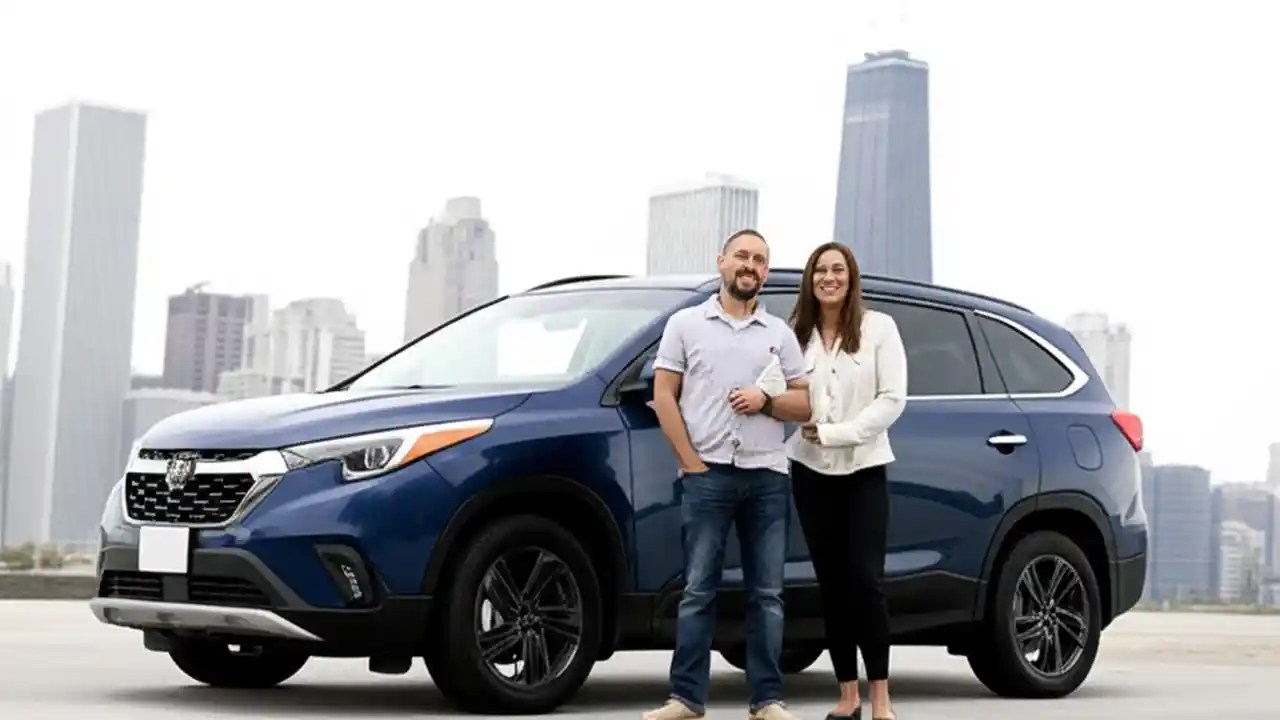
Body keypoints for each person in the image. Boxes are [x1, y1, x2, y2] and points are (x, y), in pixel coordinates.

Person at [642, 229, 812, 720]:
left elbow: (803, 404)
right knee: (698, 590)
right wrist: (689, 461)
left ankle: (767, 700)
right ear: (721, 262)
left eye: (760, 260)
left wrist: (767, 401)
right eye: (742, 256)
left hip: (767, 477)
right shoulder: (686, 325)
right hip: (707, 475)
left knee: (768, 595)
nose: (751, 266)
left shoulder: (778, 334)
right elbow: (664, 395)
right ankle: (685, 699)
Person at [787, 241, 907, 720]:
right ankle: (847, 696)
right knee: (831, 585)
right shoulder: (794, 336)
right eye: (820, 270)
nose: (829, 277)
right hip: (809, 472)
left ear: (851, 278)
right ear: (810, 280)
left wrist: (838, 433)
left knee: (865, 582)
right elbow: (776, 389)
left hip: (863, 469)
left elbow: (892, 398)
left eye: (838, 270)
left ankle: (880, 697)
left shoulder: (880, 329)